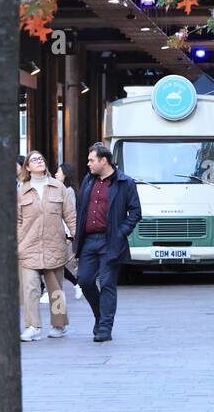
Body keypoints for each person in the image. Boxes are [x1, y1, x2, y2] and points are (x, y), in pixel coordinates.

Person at [73, 142, 142, 342]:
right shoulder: (88, 180)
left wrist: (121, 232)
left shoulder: (124, 182)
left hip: (110, 241)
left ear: (104, 161)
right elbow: (81, 208)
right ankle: (99, 315)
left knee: (107, 283)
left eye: (91, 160)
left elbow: (135, 212)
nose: (88, 164)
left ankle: (105, 327)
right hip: (89, 241)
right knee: (84, 281)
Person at [18, 150, 76, 341]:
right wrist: (17, 243)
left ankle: (59, 325)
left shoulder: (58, 187)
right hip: (28, 247)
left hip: (54, 246)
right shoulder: (22, 191)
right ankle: (32, 326)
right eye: (34, 160)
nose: (39, 161)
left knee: (56, 291)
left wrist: (75, 239)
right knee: (31, 289)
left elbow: (70, 215)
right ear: (27, 167)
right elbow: (16, 220)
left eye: (41, 158)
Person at [55, 161, 83, 299]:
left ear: (65, 175)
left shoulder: (68, 191)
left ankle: (52, 292)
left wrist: (69, 236)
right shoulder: (61, 189)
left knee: (56, 264)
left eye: (58, 172)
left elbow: (70, 214)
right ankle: (76, 284)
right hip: (59, 232)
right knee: (55, 264)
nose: (55, 174)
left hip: (64, 234)